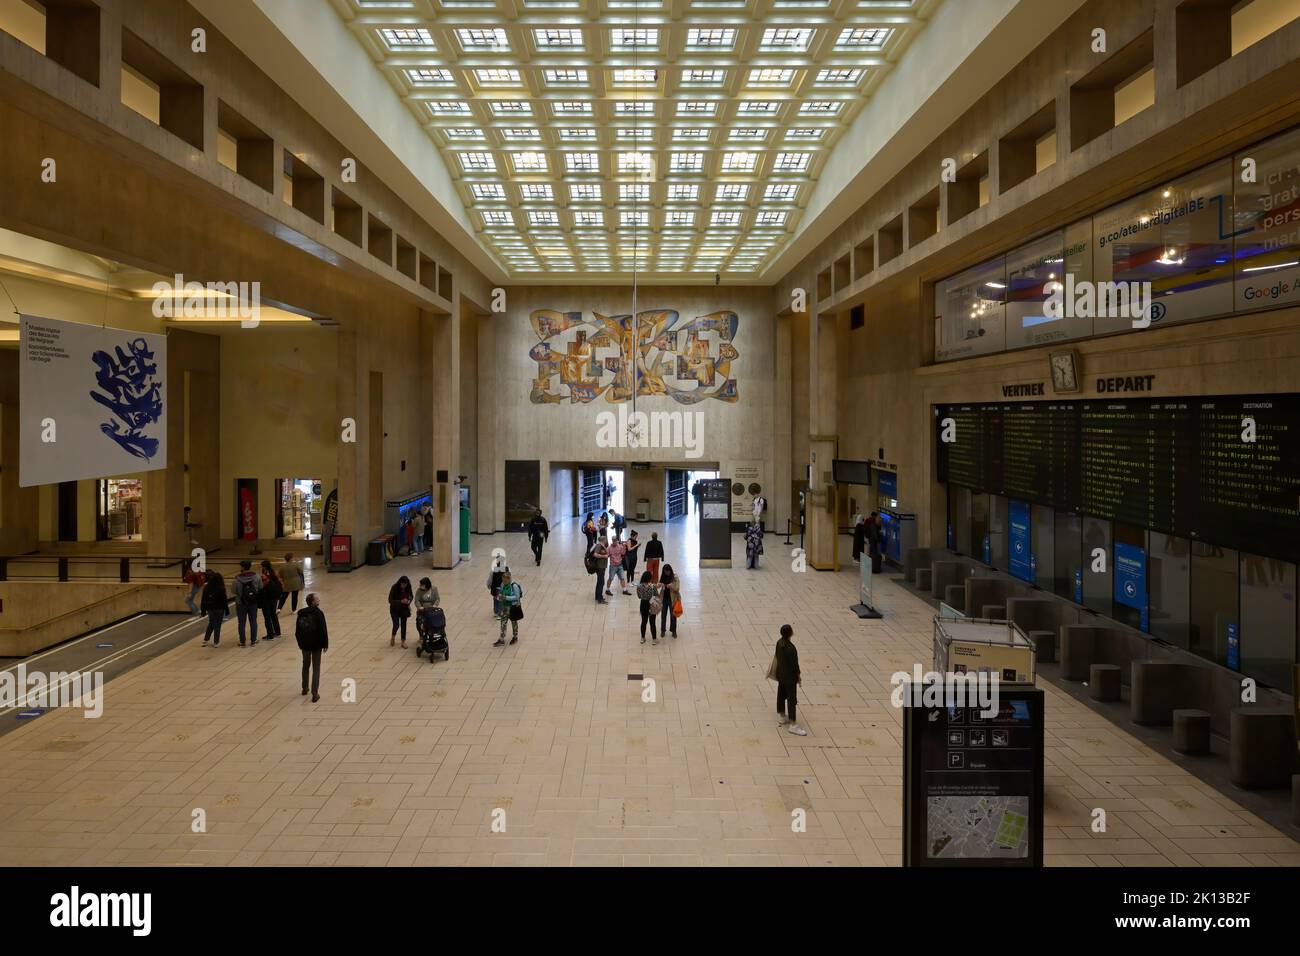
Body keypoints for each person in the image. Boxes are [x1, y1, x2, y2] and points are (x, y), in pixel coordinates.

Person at [773, 624, 807, 735]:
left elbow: (777, 657)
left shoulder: (779, 643)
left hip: (781, 674)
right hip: (789, 678)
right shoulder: (791, 648)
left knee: (781, 694)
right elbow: (794, 665)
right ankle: (793, 724)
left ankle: (782, 716)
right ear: (791, 633)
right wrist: (798, 676)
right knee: (792, 699)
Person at [295, 593, 328, 703]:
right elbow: (323, 630)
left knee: (305, 665)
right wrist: (325, 644)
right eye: (317, 598)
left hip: (305, 645)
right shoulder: (318, 613)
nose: (319, 599)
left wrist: (300, 643)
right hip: (316, 645)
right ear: (313, 602)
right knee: (316, 668)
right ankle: (315, 693)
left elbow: (297, 631)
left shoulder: (301, 613)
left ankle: (304, 688)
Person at [232, 560, 262, 646]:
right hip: (253, 602)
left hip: (241, 603)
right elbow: (260, 587)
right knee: (253, 621)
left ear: (242, 567)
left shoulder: (237, 578)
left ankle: (242, 641)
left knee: (241, 622)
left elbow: (233, 590)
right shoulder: (256, 576)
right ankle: (253, 640)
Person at [494, 570, 523, 647]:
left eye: (505, 580)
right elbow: (501, 592)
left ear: (509, 579)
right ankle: (501, 639)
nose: (504, 581)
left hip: (512, 607)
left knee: (514, 622)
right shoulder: (502, 584)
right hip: (505, 607)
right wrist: (499, 597)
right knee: (503, 622)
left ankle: (515, 637)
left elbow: (517, 597)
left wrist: (506, 597)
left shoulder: (514, 586)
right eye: (503, 580)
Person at [200, 570, 227, 647]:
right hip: (219, 608)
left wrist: (203, 610)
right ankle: (216, 642)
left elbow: (203, 600)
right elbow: (224, 600)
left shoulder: (207, 587)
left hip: (210, 608)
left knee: (211, 623)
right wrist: (227, 610)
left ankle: (205, 640)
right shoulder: (221, 587)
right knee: (217, 625)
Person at [259, 559, 284, 639]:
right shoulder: (273, 573)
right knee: (273, 615)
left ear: (264, 567)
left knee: (267, 616)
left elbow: (263, 586)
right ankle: (277, 632)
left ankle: (270, 634)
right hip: (274, 597)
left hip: (267, 597)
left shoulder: (265, 575)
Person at [388, 574, 413, 648]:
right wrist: (401, 601)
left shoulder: (408, 587)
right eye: (402, 584)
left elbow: (411, 596)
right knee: (396, 624)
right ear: (400, 583)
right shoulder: (394, 587)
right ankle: (393, 636)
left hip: (404, 609)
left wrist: (409, 601)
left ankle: (403, 641)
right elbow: (390, 600)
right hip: (394, 609)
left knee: (403, 624)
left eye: (405, 584)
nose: (404, 586)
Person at [636, 571, 661, 644]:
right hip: (651, 605)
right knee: (652, 622)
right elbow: (657, 595)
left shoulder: (639, 586)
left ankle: (642, 638)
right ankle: (654, 639)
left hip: (643, 604)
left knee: (644, 622)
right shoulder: (653, 586)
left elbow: (639, 596)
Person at [659, 563, 680, 639]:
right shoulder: (663, 576)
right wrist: (660, 584)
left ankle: (674, 631)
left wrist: (671, 585)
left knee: (673, 615)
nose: (667, 573)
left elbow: (677, 588)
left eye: (668, 571)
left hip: (672, 599)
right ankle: (663, 630)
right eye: (665, 572)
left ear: (670, 571)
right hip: (664, 599)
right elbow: (659, 584)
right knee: (663, 615)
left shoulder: (675, 577)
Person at [591, 538, 609, 604]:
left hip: (602, 567)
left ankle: (597, 596)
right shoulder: (599, 546)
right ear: (603, 540)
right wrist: (604, 556)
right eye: (605, 540)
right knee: (601, 583)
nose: (606, 541)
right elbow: (595, 554)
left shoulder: (602, 546)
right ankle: (600, 599)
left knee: (600, 582)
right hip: (600, 567)